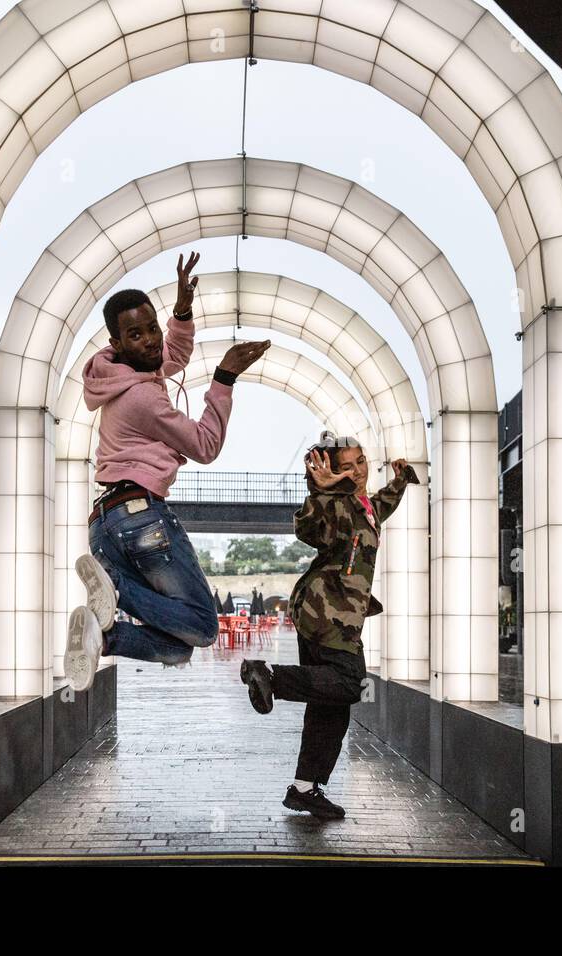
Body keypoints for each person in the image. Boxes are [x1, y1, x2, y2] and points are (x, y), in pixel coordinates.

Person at [63, 251, 270, 690]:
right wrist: (225, 379)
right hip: (140, 517)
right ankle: (115, 589)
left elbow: (172, 353)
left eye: (151, 327)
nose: (151, 341)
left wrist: (181, 311)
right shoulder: (143, 399)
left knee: (178, 646)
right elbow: (204, 446)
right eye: (135, 334)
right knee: (203, 625)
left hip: (106, 524)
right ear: (118, 343)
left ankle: (106, 633)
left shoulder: (115, 369)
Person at [240, 433, 418, 818]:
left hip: (337, 613)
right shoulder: (336, 504)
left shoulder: (362, 505)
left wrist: (402, 478)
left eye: (361, 461)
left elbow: (381, 505)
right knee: (349, 683)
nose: (357, 471)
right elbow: (310, 527)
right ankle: (269, 674)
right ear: (333, 472)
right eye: (347, 466)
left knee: (331, 704)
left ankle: (305, 788)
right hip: (328, 612)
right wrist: (320, 490)